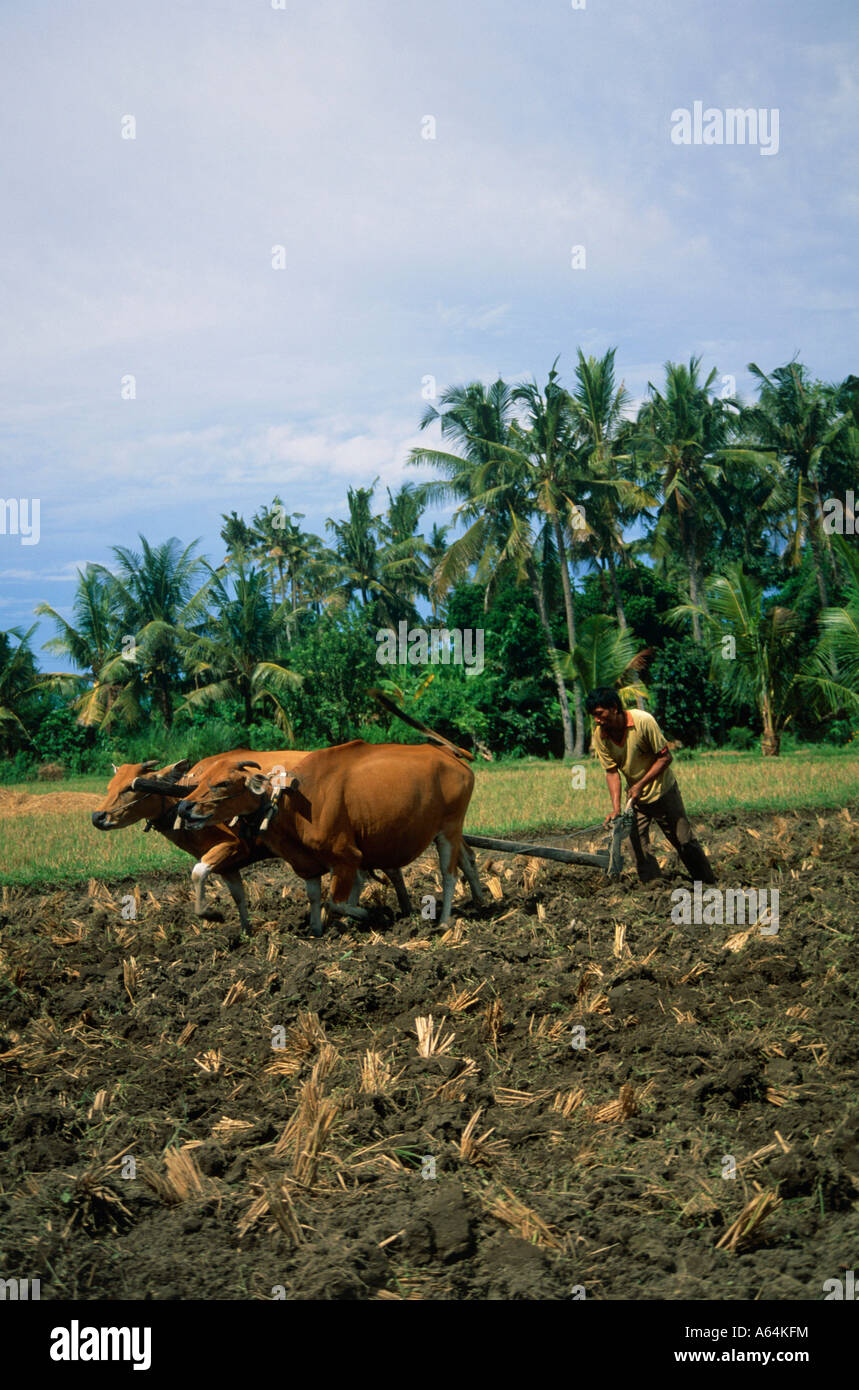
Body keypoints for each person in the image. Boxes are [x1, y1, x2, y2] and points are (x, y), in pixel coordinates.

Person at [586, 685, 715, 884]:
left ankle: (707, 882)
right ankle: (653, 887)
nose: (597, 720)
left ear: (614, 707)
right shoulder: (600, 735)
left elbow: (665, 758)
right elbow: (611, 772)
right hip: (636, 800)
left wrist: (640, 784)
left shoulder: (643, 721)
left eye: (599, 714)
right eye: (593, 716)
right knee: (635, 844)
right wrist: (616, 809)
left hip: (664, 792)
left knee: (684, 841)